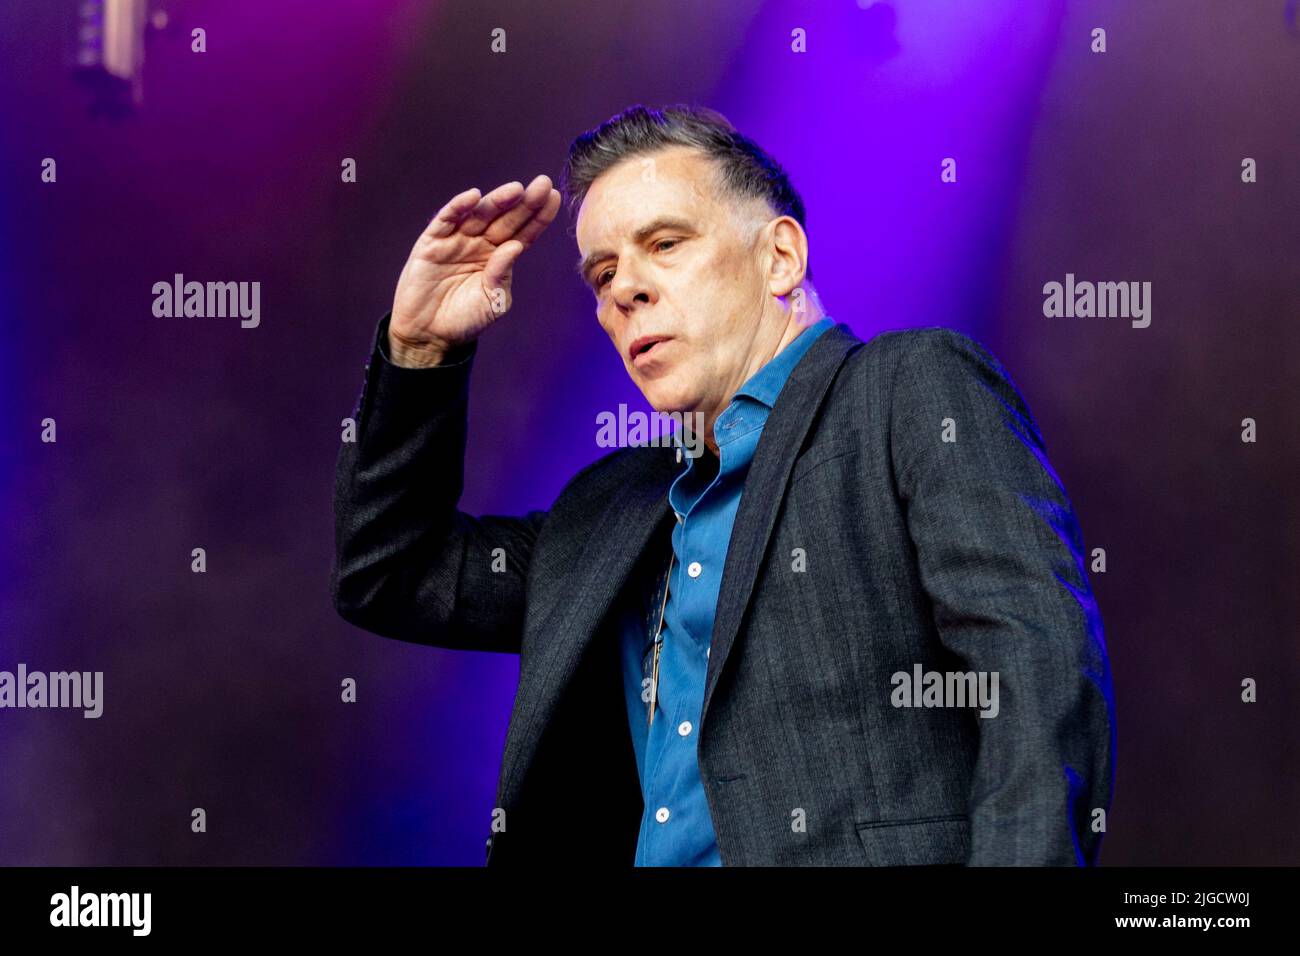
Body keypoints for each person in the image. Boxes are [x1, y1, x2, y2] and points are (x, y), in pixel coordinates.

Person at [331, 103, 1116, 867]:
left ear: (780, 256)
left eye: (664, 244)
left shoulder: (906, 390)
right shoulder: (609, 508)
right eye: (602, 273)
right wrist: (420, 347)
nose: (623, 290)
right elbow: (392, 572)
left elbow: (1038, 675)